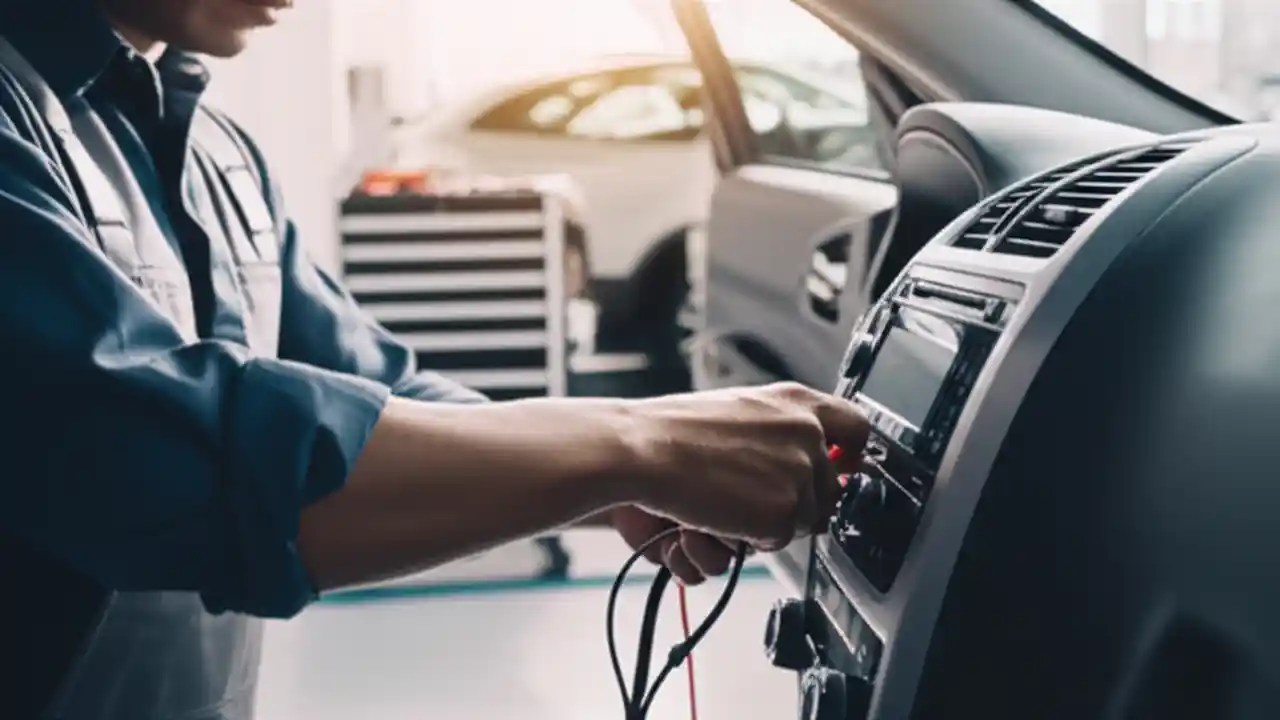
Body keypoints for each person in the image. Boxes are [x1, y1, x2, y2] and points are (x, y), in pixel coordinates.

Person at [0, 0, 869, 718]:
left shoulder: (220, 150)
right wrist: (636, 444)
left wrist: (626, 480)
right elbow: (167, 463)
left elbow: (383, 388)